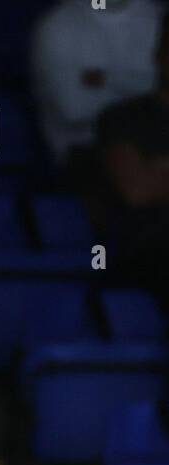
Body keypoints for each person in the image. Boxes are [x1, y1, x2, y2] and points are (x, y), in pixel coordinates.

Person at [31, 0, 165, 170]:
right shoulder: (56, 27)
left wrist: (108, 80)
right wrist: (145, 86)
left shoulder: (159, 18)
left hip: (159, 143)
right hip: (84, 154)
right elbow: (74, 110)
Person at [95, 11, 169, 309]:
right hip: (148, 258)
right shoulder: (121, 118)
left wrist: (161, 168)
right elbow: (137, 190)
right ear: (160, 54)